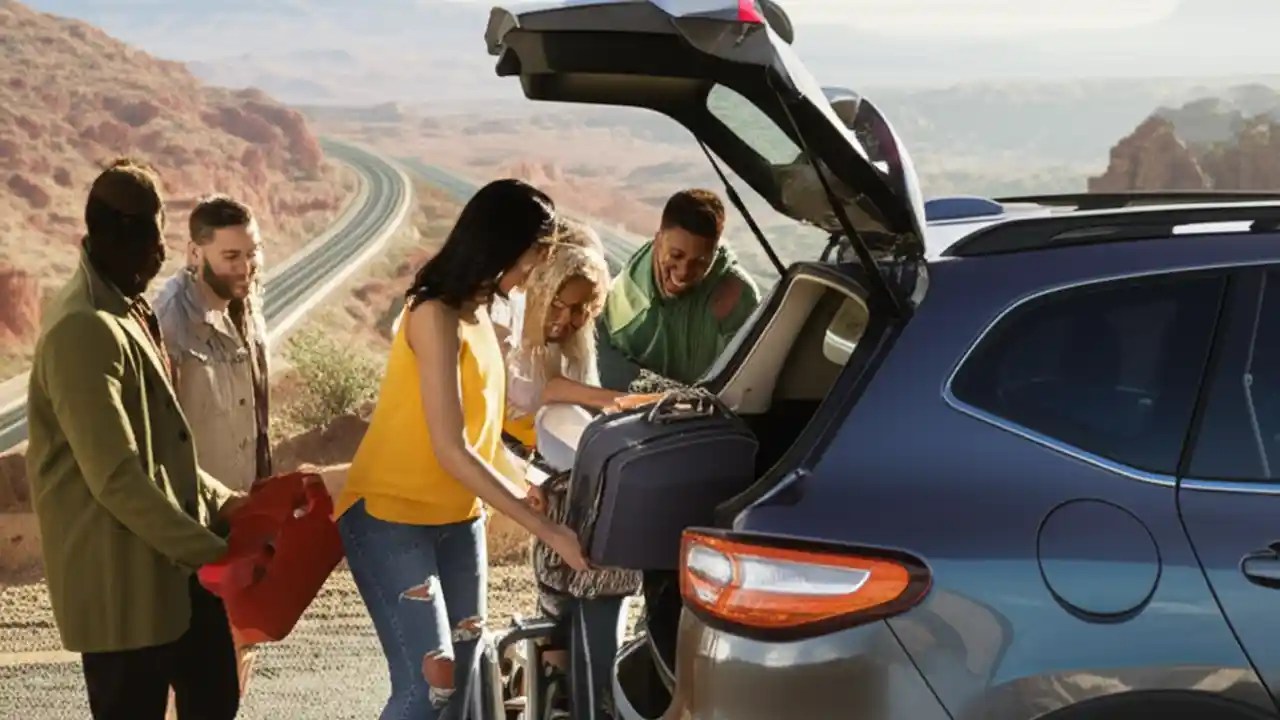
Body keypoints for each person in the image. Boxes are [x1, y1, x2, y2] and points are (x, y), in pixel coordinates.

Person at [332, 178, 590, 720]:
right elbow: (449, 448)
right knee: (430, 689)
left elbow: (482, 436)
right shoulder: (433, 315)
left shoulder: (482, 317)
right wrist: (547, 531)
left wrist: (530, 484)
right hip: (390, 518)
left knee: (467, 689)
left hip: (459, 521)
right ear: (498, 245)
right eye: (529, 260)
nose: (530, 275)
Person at [24, 157, 247, 720]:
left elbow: (164, 453)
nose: (162, 253)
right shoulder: (85, 328)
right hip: (122, 593)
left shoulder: (126, 310)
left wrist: (227, 505)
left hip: (174, 576)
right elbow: (118, 476)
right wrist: (213, 552)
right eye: (155, 237)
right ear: (123, 235)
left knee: (218, 701)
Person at [153, 194, 271, 708]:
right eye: (232, 256)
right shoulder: (169, 324)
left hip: (243, 512)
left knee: (239, 654)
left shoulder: (248, 307)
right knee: (196, 671)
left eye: (252, 253)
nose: (246, 267)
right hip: (193, 524)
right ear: (194, 253)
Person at [597, 188, 761, 390]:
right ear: (658, 241)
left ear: (714, 252)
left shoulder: (736, 293)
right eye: (676, 255)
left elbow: (749, 374)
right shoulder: (632, 307)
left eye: (700, 261)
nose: (684, 272)